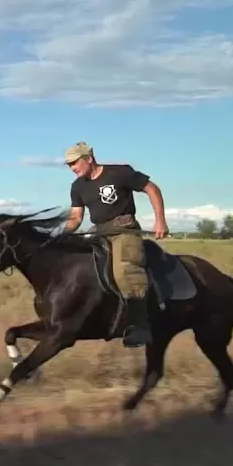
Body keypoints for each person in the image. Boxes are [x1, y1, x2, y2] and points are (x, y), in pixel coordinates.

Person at [59, 141, 169, 347]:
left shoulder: (119, 173)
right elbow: (76, 217)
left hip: (124, 230)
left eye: (75, 162)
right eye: (69, 165)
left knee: (124, 270)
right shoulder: (78, 186)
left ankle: (141, 326)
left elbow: (152, 189)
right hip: (98, 233)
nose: (72, 168)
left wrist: (160, 220)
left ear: (89, 159)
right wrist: (62, 234)